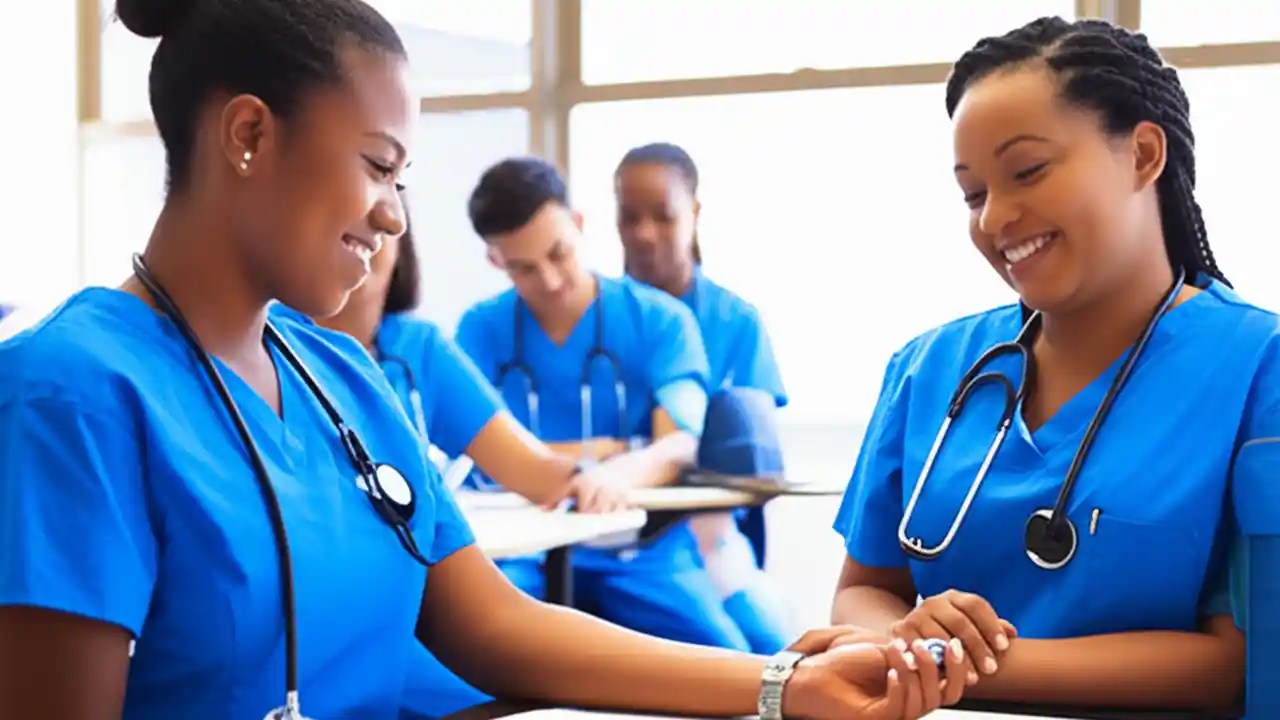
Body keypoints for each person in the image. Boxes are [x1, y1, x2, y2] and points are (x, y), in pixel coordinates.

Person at [0, 1, 962, 719]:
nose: (393, 215)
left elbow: (495, 627)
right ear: (249, 134)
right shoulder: (71, 393)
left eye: (402, 179)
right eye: (379, 166)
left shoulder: (341, 382)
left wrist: (781, 684)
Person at [829, 16, 1269, 713]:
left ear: (1144, 155)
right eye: (973, 194)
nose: (995, 217)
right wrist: (904, 639)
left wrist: (952, 664)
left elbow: (1241, 661)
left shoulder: (1259, 370)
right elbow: (865, 592)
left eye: (1027, 171)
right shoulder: (929, 368)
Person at [456, 156, 774, 653]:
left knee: (726, 662)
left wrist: (610, 474)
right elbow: (474, 452)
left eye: (558, 253)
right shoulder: (480, 331)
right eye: (523, 268)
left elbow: (680, 445)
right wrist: (600, 451)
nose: (551, 281)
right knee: (476, 659)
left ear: (579, 224)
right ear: (496, 262)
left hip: (640, 550)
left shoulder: (660, 321)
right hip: (523, 552)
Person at [614, 141, 792, 655]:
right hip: (607, 536)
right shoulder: (599, 320)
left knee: (772, 650)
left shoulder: (736, 321)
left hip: (705, 536)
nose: (644, 234)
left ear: (693, 212)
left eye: (662, 217)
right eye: (628, 217)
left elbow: (751, 454)